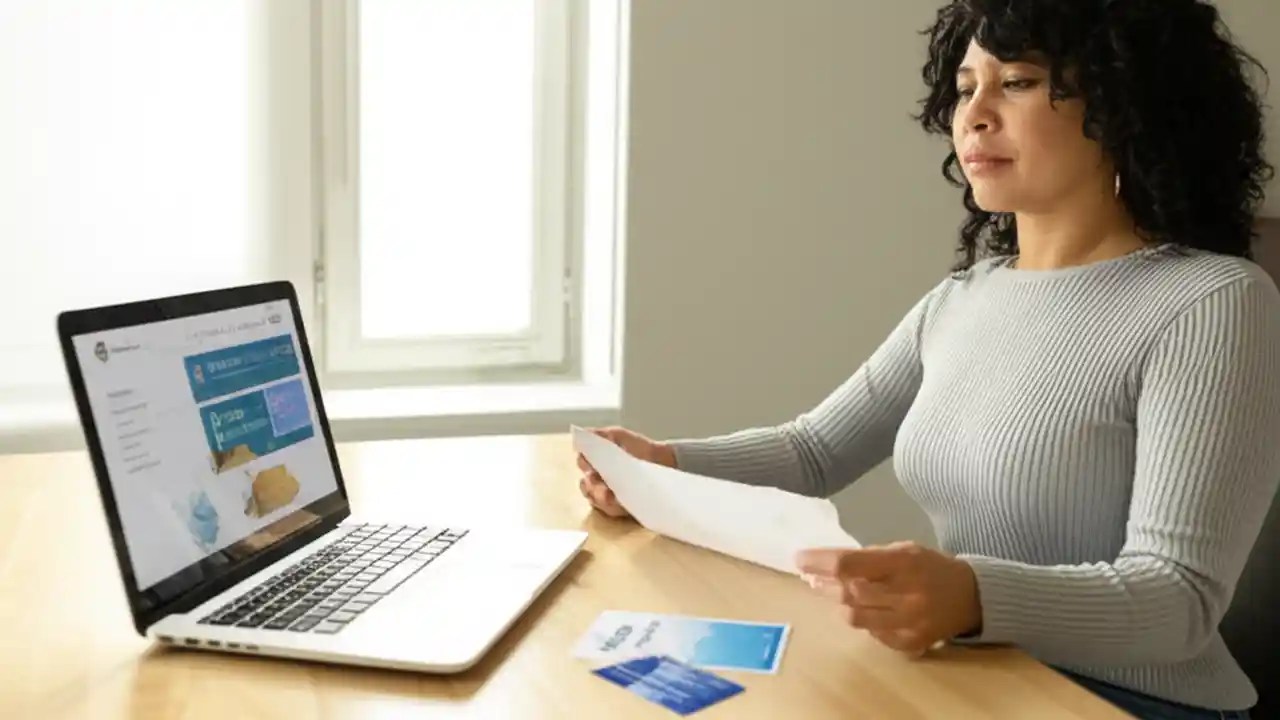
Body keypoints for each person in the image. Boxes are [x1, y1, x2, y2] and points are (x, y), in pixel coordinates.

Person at [575, 1, 1279, 718]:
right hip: (979, 677)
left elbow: (1178, 597)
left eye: (1019, 82)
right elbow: (813, 450)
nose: (974, 113)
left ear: (1128, 104)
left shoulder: (1211, 301)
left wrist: (971, 596)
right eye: (966, 85)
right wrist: (665, 467)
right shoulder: (963, 300)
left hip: (1132, 704)